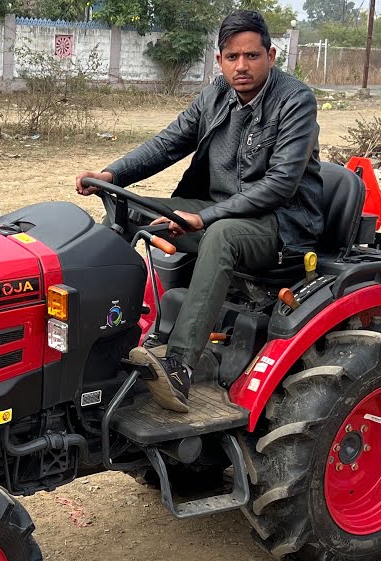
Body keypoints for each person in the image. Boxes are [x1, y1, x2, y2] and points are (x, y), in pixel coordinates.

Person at [74, 10, 324, 413]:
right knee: (130, 212)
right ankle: (103, 337)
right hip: (216, 208)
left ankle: (179, 366)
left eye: (252, 56)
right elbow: (168, 143)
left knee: (221, 235)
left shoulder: (295, 101)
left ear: (271, 56)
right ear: (220, 59)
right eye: (231, 57)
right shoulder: (215, 96)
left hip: (279, 225)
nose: (241, 66)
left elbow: (279, 185)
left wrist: (206, 217)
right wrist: (112, 173)